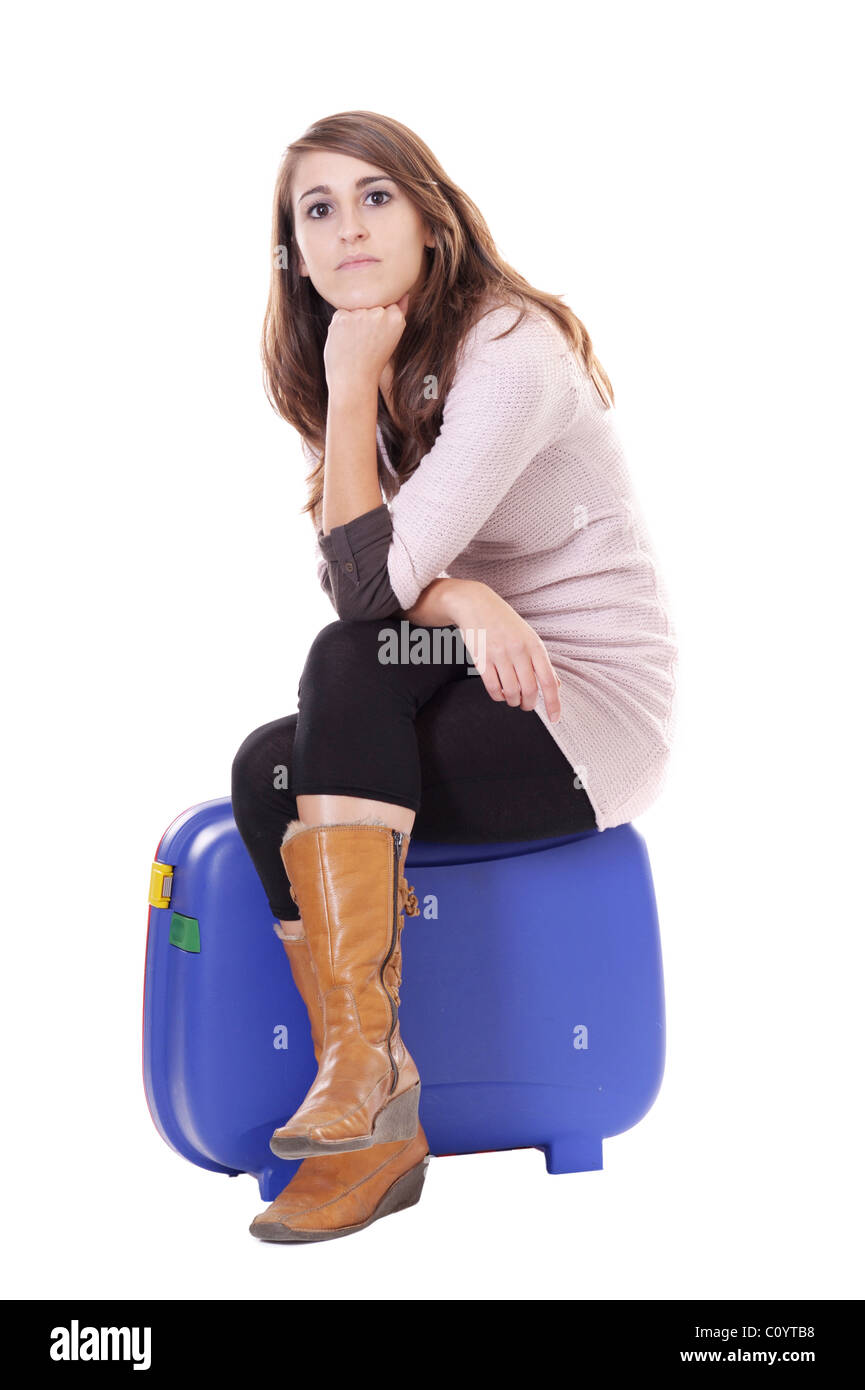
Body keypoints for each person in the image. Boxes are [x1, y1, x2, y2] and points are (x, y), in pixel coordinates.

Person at [231, 109, 678, 1243]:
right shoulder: (369, 356)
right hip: (459, 665)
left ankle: (365, 1081)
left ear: (431, 217)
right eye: (316, 211)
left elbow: (365, 597)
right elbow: (372, 590)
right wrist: (467, 597)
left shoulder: (507, 348)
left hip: (576, 701)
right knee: (265, 770)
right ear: (293, 250)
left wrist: (350, 397)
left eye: (375, 196)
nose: (348, 228)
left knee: (346, 661)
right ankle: (373, 1115)